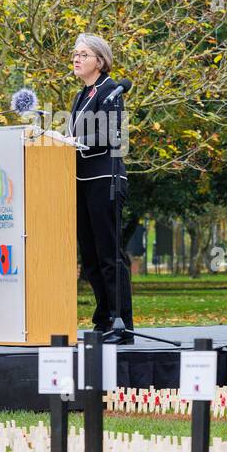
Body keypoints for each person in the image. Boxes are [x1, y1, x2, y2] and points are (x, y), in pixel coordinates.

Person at [70, 33, 133, 342]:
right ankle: (103, 320)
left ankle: (122, 324)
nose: (76, 59)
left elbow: (114, 136)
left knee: (110, 255)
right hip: (80, 181)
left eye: (83, 54)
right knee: (92, 257)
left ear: (100, 60)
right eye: (75, 54)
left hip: (105, 180)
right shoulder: (82, 94)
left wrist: (75, 141)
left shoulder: (111, 91)